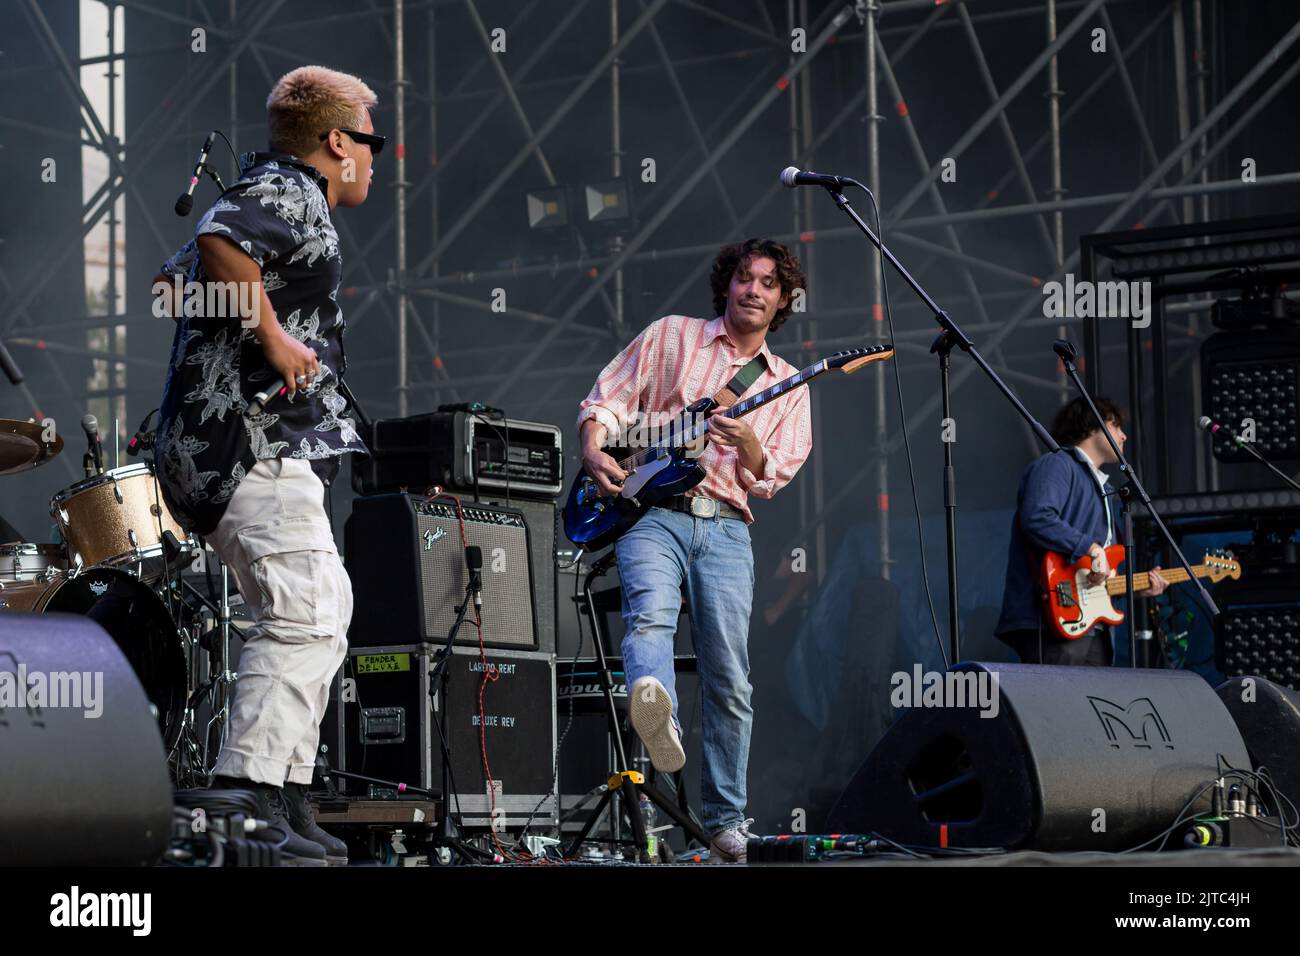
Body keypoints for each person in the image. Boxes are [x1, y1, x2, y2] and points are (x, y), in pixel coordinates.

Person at [152, 65, 381, 865]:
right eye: (371, 140)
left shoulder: (283, 192)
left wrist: (256, 318)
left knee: (323, 610)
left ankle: (284, 793)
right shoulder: (290, 190)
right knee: (306, 614)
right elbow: (217, 240)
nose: (377, 159)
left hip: (219, 443)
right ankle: (245, 792)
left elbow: (175, 289)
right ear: (336, 141)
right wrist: (276, 339)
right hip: (247, 439)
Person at [577, 238, 814, 863]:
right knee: (650, 614)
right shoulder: (672, 336)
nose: (753, 290)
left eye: (768, 282)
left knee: (729, 677)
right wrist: (594, 444)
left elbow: (771, 476)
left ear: (784, 299)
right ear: (727, 284)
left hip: (728, 526)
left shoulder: (788, 384)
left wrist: (748, 442)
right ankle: (658, 709)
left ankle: (725, 826)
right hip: (653, 513)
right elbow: (608, 397)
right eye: (744, 278)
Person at [996, 397, 1167, 666]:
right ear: (1091, 427)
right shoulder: (1057, 465)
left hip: (1091, 626)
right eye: (1116, 425)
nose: (1124, 436)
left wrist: (1135, 588)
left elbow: (1094, 572)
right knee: (1054, 705)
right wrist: (1091, 547)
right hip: (1051, 617)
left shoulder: (1104, 489)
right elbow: (1037, 517)